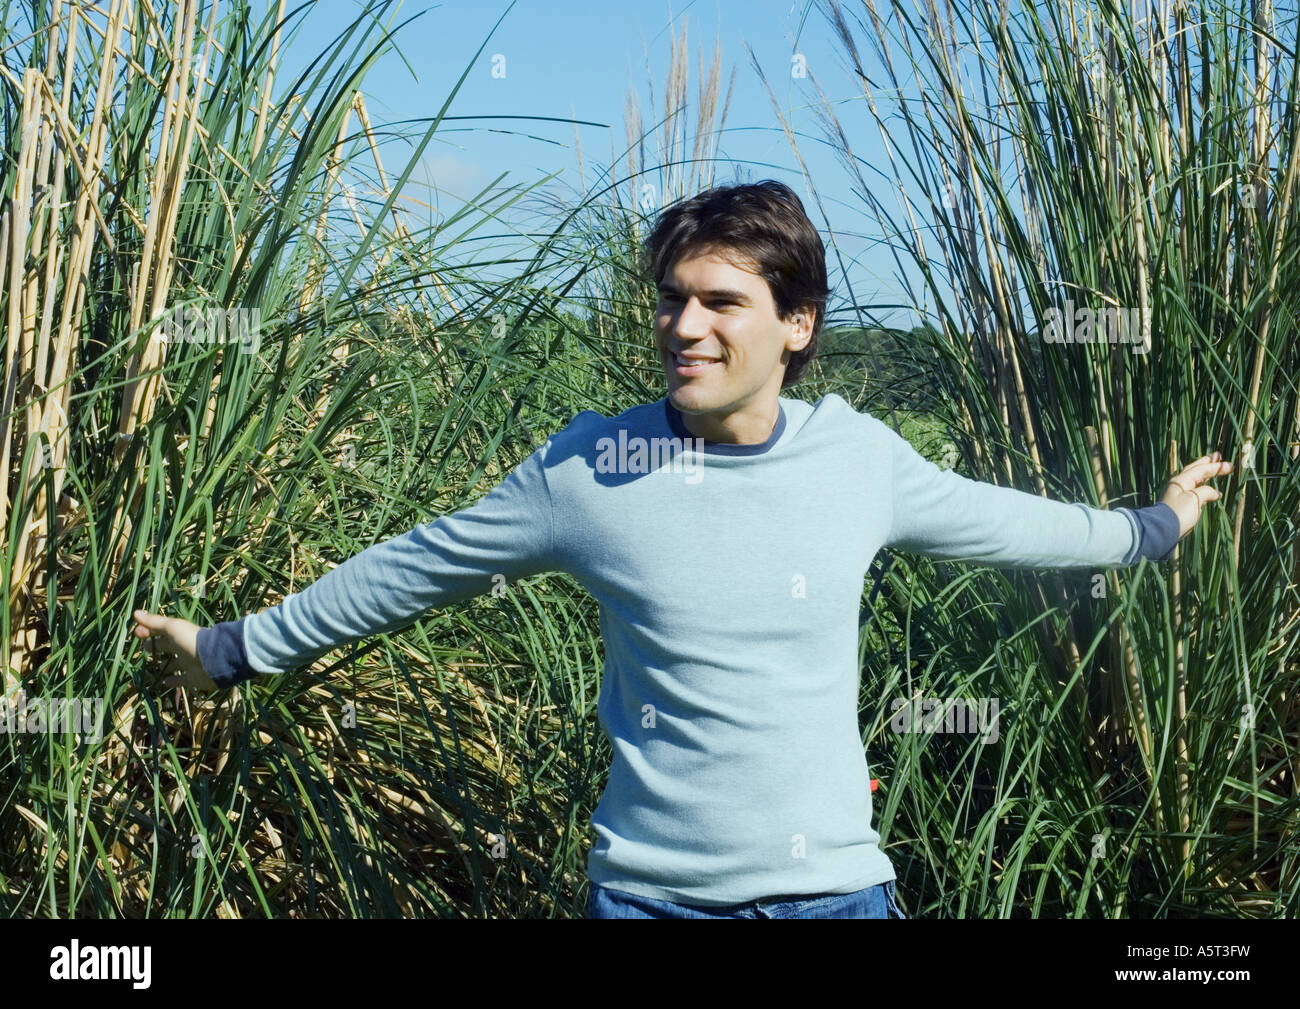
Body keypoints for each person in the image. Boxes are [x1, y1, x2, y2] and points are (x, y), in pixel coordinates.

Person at [133, 180, 1231, 919]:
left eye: (720, 301)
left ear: (795, 323)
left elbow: (1009, 523)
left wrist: (1150, 526)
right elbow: (411, 569)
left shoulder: (859, 459)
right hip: (650, 898)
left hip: (835, 895)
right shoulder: (589, 472)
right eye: (670, 301)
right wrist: (229, 648)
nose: (685, 326)